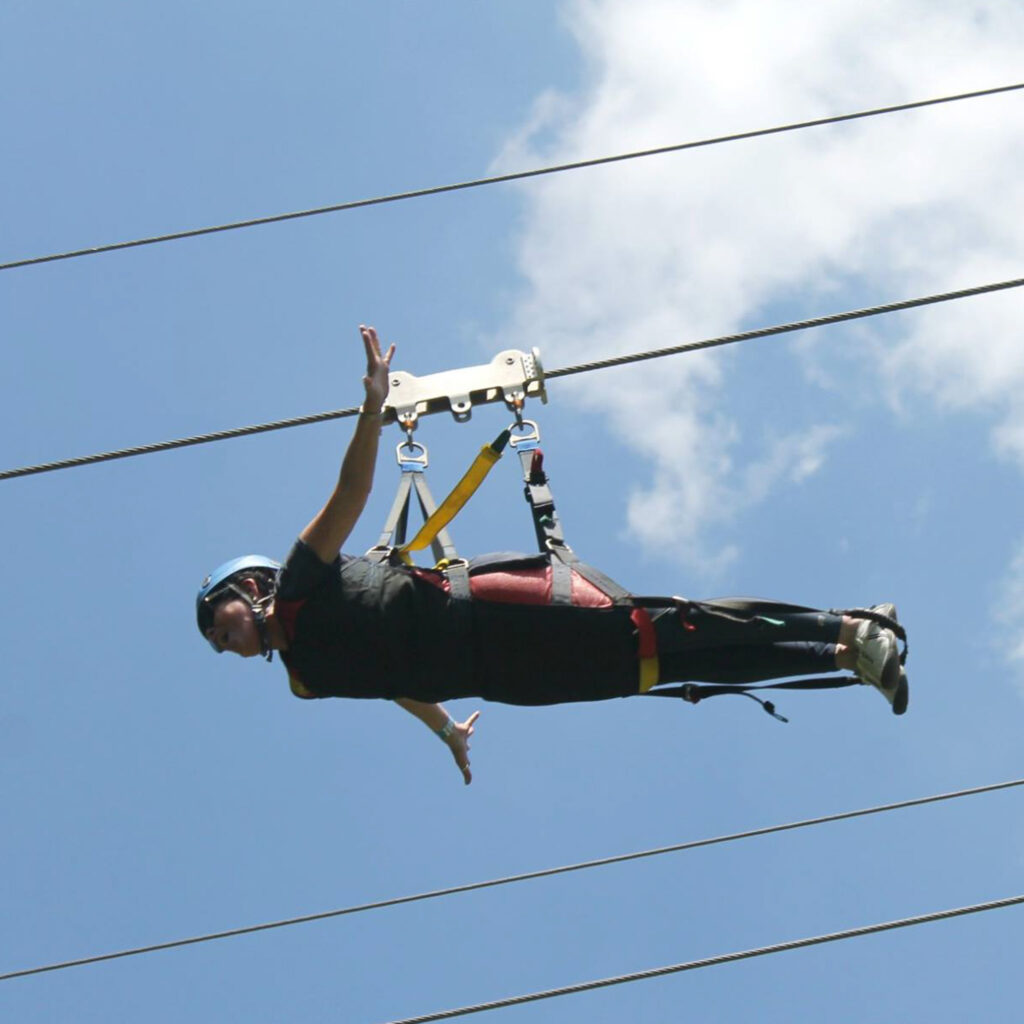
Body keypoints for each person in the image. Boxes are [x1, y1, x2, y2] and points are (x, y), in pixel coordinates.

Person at [197, 326, 909, 785]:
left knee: (663, 628)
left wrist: (373, 411)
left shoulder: (297, 584)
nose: (224, 642)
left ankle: (849, 627)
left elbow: (352, 492)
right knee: (657, 669)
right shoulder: (306, 679)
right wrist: (445, 728)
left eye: (218, 622)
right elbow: (394, 678)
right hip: (506, 674)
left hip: (496, 610)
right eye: (218, 643)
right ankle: (845, 659)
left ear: (248, 584)